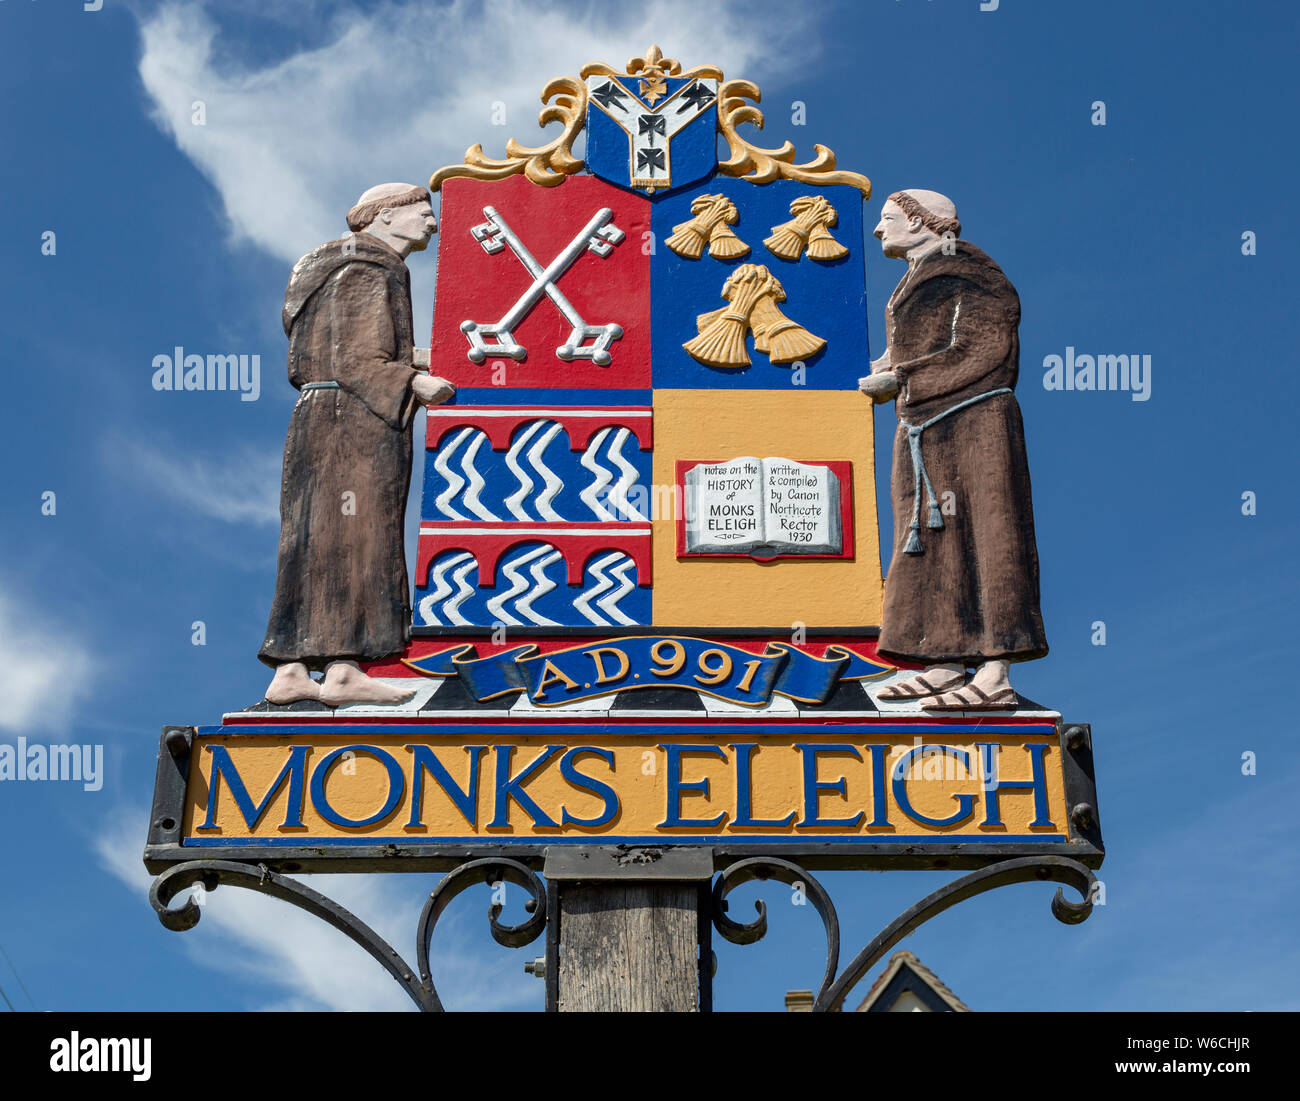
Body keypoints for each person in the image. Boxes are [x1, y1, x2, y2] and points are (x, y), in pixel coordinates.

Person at [259, 183, 455, 705]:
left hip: (322, 417)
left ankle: (293, 669)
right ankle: (344, 669)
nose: (432, 224)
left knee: (313, 540)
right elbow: (356, 357)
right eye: (422, 212)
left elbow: (338, 347)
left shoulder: (328, 268)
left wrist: (417, 357)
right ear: (385, 217)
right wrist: (415, 382)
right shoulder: (372, 265)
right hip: (355, 422)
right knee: (362, 539)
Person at [861, 189, 1046, 709]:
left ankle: (994, 674)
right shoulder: (917, 276)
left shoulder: (970, 272)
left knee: (990, 537)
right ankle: (943, 659)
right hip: (925, 429)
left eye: (889, 219)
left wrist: (902, 378)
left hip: (973, 425)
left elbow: (983, 347)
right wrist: (888, 364)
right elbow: (924, 343)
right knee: (925, 537)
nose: (879, 230)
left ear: (924, 223)